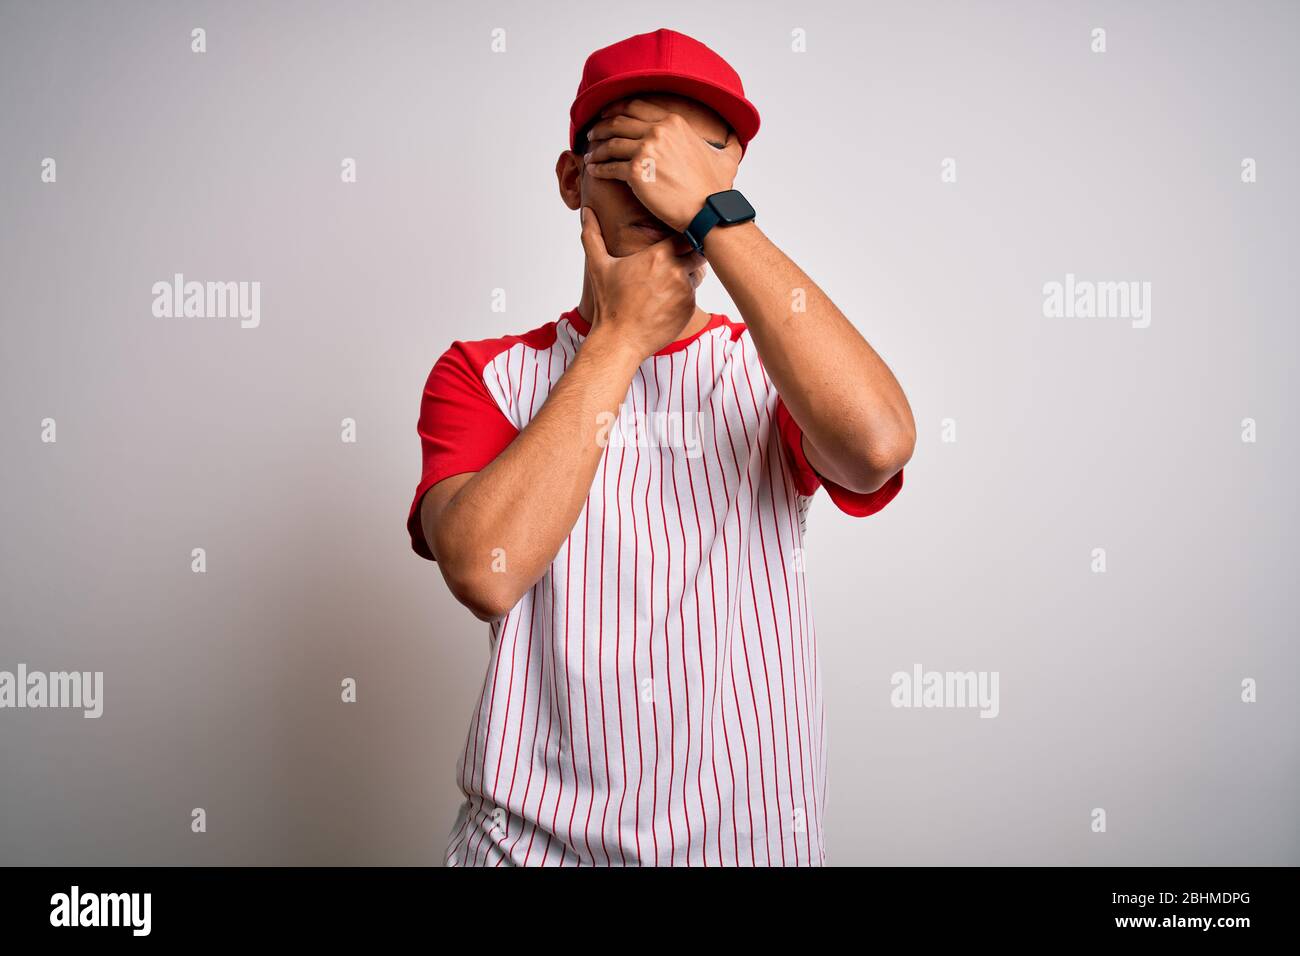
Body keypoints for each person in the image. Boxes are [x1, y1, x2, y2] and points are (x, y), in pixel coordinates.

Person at [407, 28, 915, 866]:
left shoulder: (774, 365)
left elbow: (877, 445)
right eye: (633, 144)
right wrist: (619, 340)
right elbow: (485, 571)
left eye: (686, 155)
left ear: (728, 175)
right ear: (573, 179)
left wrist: (718, 216)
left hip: (748, 850)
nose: (657, 178)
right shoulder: (484, 374)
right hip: (525, 851)